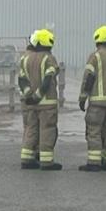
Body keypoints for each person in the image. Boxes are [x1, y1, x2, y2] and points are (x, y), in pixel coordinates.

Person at [78, 25, 106, 172]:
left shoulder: (95, 56)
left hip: (97, 102)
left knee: (94, 131)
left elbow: (89, 78)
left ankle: (94, 163)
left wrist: (82, 97)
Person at [18, 29, 61, 170]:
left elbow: (21, 79)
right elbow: (48, 78)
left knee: (31, 130)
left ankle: (26, 159)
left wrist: (28, 95)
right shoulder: (48, 58)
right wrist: (38, 95)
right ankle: (46, 162)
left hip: (30, 103)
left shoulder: (25, 57)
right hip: (46, 103)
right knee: (46, 131)